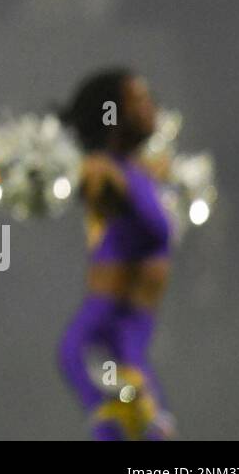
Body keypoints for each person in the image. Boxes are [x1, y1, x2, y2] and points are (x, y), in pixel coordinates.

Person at [56, 68, 175, 440]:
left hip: (133, 345)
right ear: (114, 116)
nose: (151, 106)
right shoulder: (104, 172)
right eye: (138, 100)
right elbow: (90, 183)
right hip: (110, 346)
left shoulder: (140, 171)